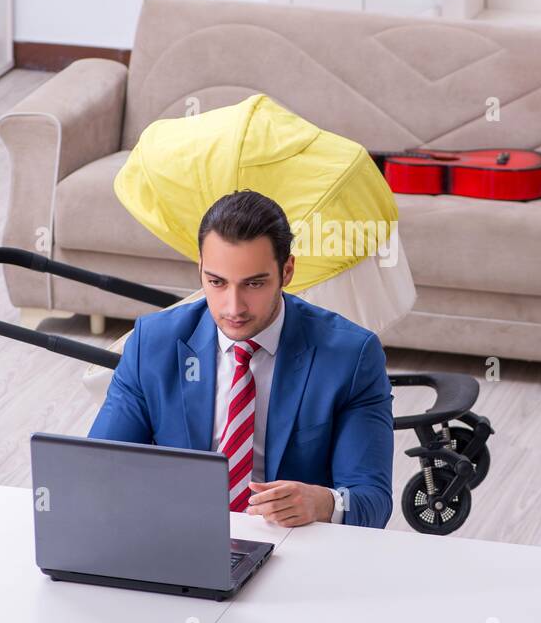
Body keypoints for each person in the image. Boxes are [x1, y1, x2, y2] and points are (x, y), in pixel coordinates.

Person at [89, 190, 394, 528]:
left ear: (287, 271)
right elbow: (101, 467)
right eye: (216, 282)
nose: (234, 307)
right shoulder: (152, 343)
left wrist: (325, 503)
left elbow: (373, 500)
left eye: (254, 284)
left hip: (293, 543)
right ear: (200, 269)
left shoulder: (351, 356)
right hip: (180, 535)